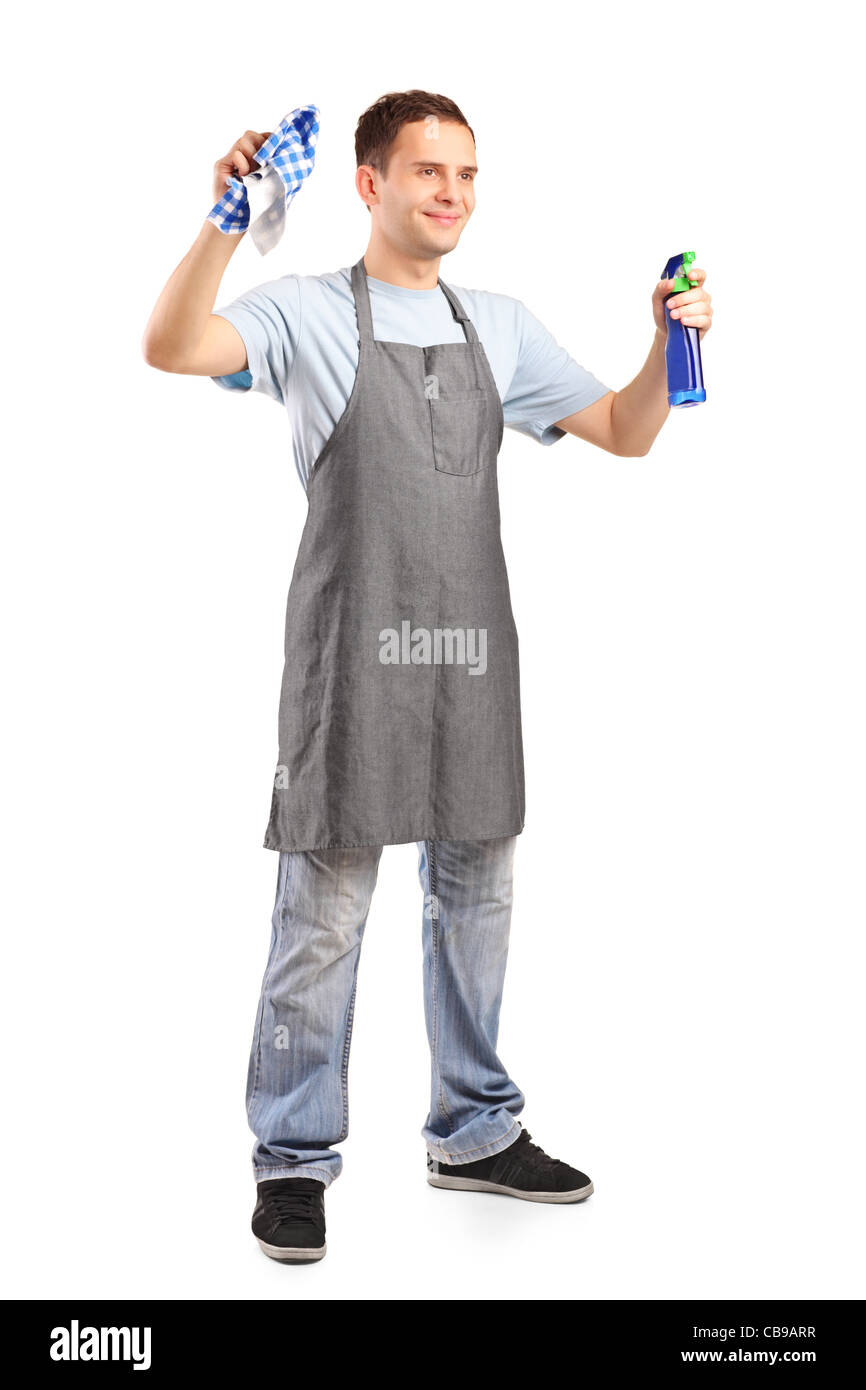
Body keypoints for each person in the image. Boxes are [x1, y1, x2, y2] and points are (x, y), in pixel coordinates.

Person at [142, 89, 713, 1264]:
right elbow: (170, 346)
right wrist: (221, 214)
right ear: (369, 184)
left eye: (464, 173)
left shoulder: (496, 323)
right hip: (350, 665)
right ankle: (293, 1160)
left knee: (478, 907)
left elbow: (624, 427)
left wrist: (666, 337)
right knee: (324, 917)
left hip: (470, 661)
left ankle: (472, 1129)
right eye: (425, 173)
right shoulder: (304, 313)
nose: (448, 193)